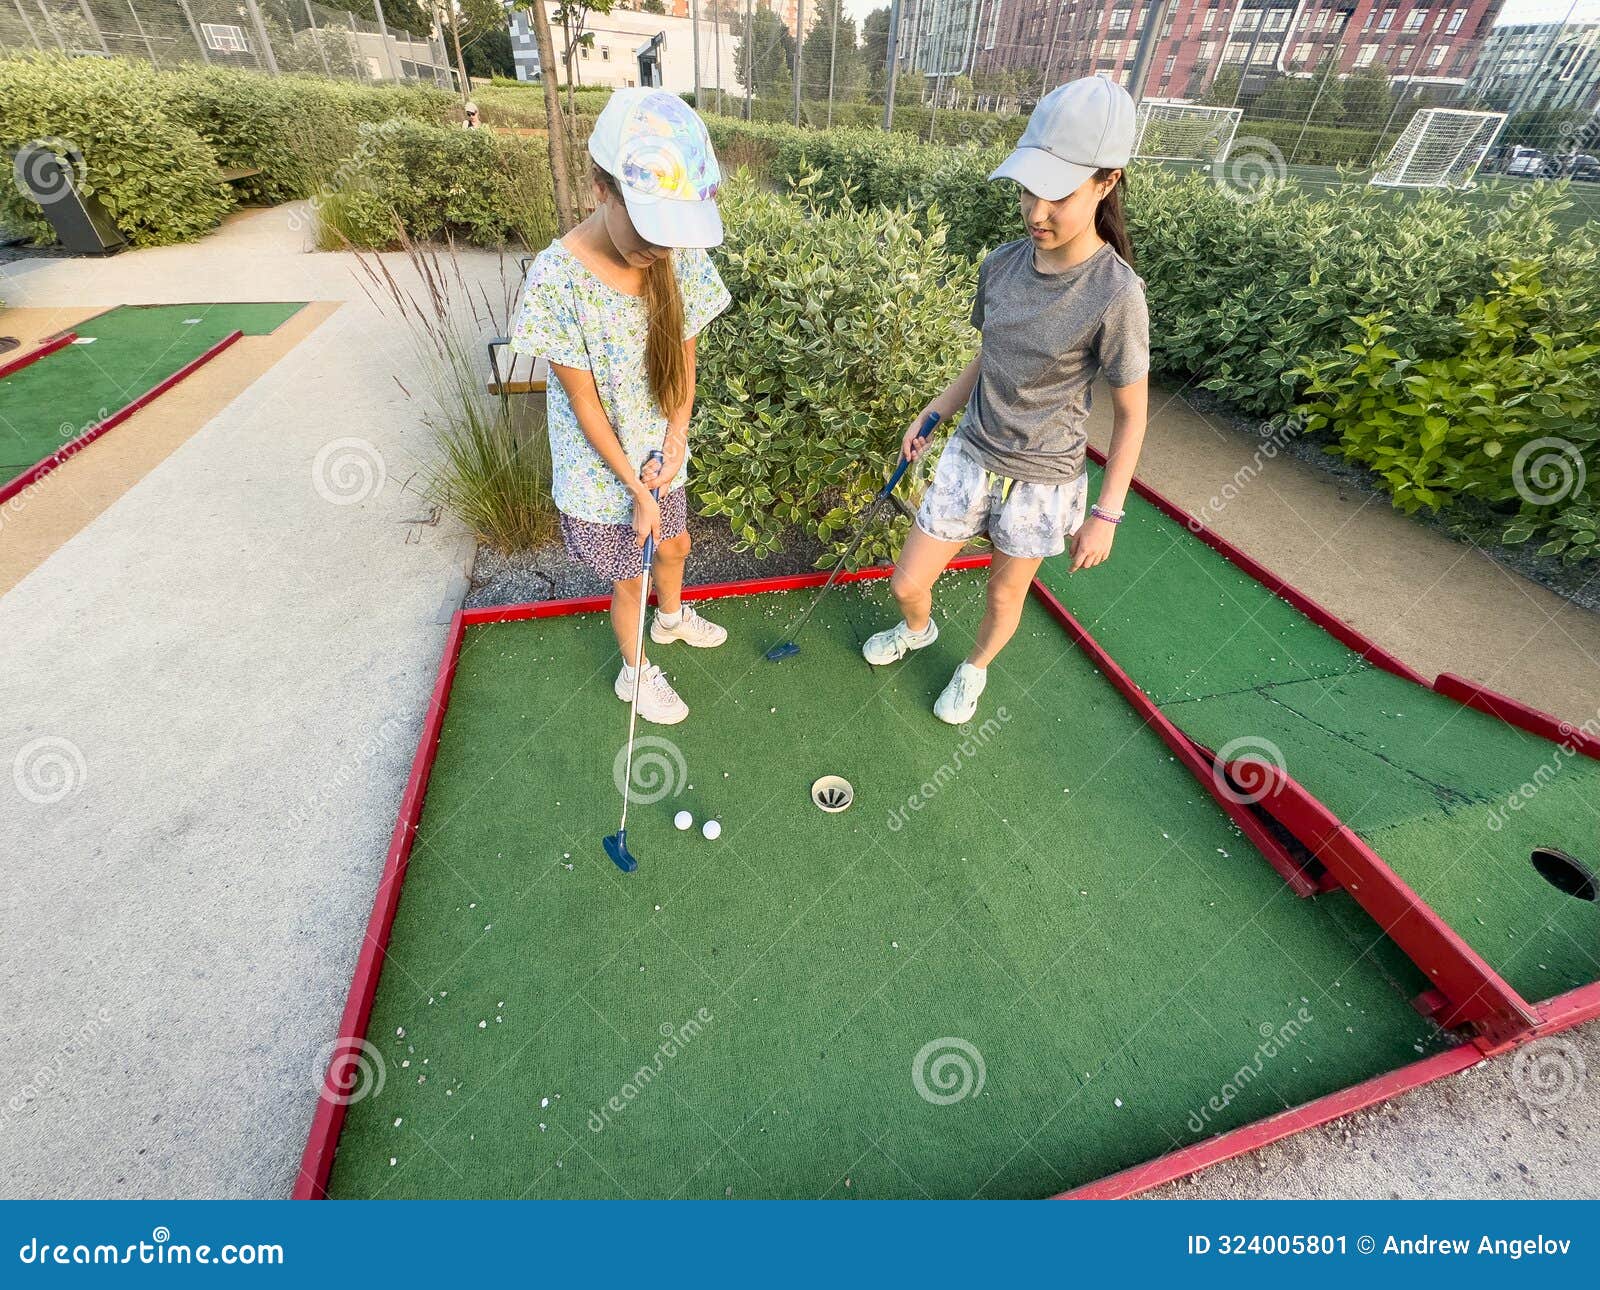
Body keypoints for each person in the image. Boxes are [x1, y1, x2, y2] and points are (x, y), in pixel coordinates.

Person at [861, 74, 1151, 725]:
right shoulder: (1002, 264)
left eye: (1058, 195)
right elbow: (989, 354)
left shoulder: (1115, 293)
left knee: (1003, 592)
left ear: (1106, 182)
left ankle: (974, 669)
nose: (1036, 211)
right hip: (972, 453)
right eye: (1028, 189)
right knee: (908, 582)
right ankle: (918, 629)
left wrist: (1107, 513)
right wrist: (933, 412)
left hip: (1043, 480)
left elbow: (1132, 414)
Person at [509, 89, 731, 725]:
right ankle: (634, 674)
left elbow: (683, 359)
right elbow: (584, 404)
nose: (661, 246)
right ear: (600, 188)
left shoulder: (675, 254)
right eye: (649, 225)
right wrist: (635, 486)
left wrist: (678, 438)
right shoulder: (556, 279)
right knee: (629, 576)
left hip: (661, 449)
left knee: (676, 544)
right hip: (601, 462)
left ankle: (671, 619)